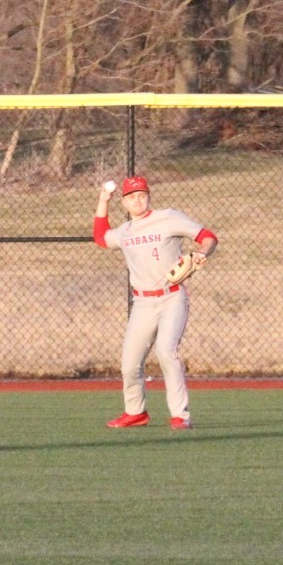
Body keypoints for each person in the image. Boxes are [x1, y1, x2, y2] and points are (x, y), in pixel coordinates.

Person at [93, 175, 217, 429]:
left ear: (148, 196)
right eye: (131, 197)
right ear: (124, 202)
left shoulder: (168, 218)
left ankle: (180, 415)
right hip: (142, 303)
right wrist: (103, 200)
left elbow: (208, 236)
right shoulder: (125, 231)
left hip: (172, 297)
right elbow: (101, 238)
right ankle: (136, 412)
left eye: (142, 195)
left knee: (166, 351)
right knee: (129, 363)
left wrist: (201, 253)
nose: (137, 200)